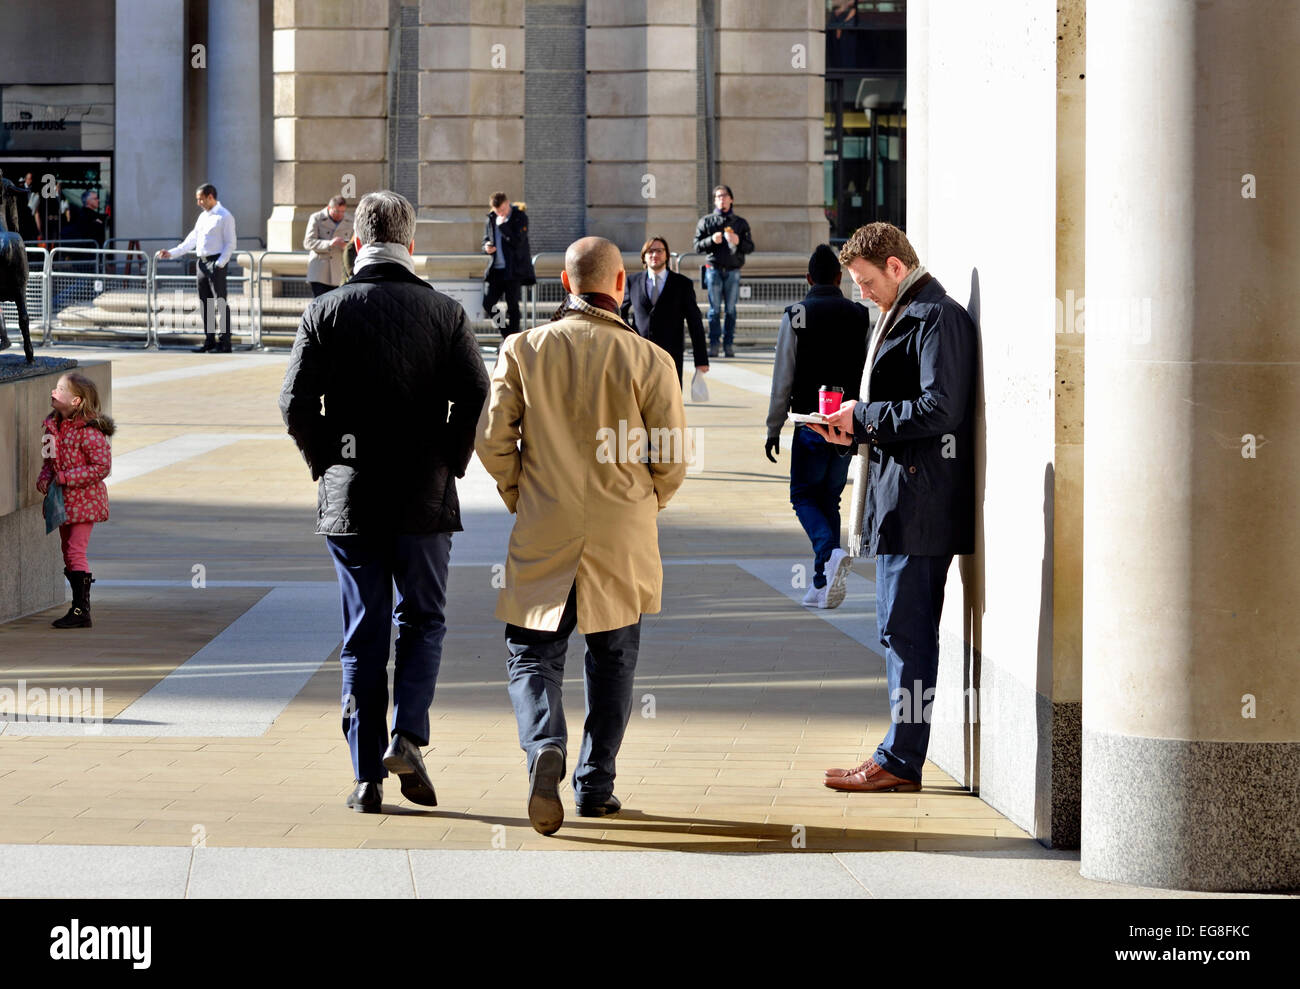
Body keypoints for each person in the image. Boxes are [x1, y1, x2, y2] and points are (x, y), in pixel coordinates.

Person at [280, 190, 490, 814]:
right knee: (423, 620)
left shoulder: (326, 312)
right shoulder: (446, 313)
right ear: (412, 243)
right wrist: (450, 460)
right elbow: (477, 393)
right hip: (424, 494)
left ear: (354, 243)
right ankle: (409, 737)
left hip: (352, 494)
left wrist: (327, 463)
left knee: (362, 634)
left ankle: (365, 776)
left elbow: (293, 405)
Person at [476, 236, 688, 835]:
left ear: (565, 285)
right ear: (620, 285)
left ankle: (545, 744)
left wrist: (521, 492)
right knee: (613, 657)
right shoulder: (651, 360)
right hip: (622, 532)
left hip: (547, 522)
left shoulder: (524, 349)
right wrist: (645, 502)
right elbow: (671, 458)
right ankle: (596, 783)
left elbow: (492, 441)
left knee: (531, 651)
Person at [808, 222, 976, 793]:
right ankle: (896, 753)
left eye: (866, 280)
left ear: (896, 268)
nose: (861, 292)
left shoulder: (937, 316)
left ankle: (901, 761)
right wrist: (853, 428)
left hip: (920, 505)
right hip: (901, 499)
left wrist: (866, 419)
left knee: (906, 634)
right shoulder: (905, 314)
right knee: (896, 631)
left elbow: (941, 408)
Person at [765, 244, 870, 609]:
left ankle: (828, 552)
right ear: (839, 278)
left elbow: (783, 376)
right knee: (829, 497)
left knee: (803, 496)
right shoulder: (859, 314)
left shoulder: (797, 314)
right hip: (847, 422)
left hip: (811, 422)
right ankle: (822, 583)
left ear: (808, 279)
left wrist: (773, 427)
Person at [36, 373, 115, 630]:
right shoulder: (52, 426)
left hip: (85, 501)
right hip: (63, 501)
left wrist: (66, 477)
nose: (53, 392)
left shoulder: (89, 432)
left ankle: (81, 609)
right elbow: (50, 460)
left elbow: (102, 466)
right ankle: (79, 606)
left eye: (60, 389)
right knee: (67, 552)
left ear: (76, 400)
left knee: (75, 550)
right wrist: (46, 477)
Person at [157, 184, 237, 353]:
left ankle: (225, 342)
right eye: (197, 199)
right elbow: (190, 241)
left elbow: (230, 243)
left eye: (201, 198)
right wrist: (171, 253)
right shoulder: (203, 217)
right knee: (205, 303)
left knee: (220, 302)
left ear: (210, 197)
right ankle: (209, 340)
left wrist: (220, 263)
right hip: (201, 262)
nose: (199, 202)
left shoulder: (225, 216)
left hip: (216, 262)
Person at [619, 235, 710, 385]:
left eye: (659, 251)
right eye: (650, 251)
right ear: (644, 256)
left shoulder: (682, 284)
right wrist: (630, 335)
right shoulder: (632, 281)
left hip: (670, 355)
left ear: (667, 255)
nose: (655, 255)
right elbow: (620, 311)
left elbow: (695, 322)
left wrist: (701, 360)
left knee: (670, 403)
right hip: (640, 355)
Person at [692, 184, 754, 358]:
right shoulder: (706, 221)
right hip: (714, 270)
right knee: (713, 310)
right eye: (718, 196)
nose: (721, 199)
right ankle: (714, 344)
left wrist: (738, 240)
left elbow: (750, 247)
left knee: (731, 310)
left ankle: (728, 344)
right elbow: (697, 246)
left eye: (724, 196)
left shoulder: (740, 223)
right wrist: (712, 239)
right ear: (715, 200)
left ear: (731, 199)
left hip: (733, 271)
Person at [481, 191, 536, 338]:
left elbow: (518, 241)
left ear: (507, 203)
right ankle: (506, 334)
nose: (500, 213)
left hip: (513, 270)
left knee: (512, 306)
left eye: (502, 210)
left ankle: (513, 338)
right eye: (497, 211)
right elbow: (486, 238)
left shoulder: (520, 217)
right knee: (488, 303)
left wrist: (503, 226)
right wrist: (486, 247)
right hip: (496, 270)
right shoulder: (492, 218)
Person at [303, 195, 352, 296]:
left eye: (343, 211)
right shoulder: (316, 218)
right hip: (320, 272)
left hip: (339, 271)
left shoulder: (350, 220)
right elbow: (308, 242)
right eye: (337, 211)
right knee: (321, 305)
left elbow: (352, 241)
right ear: (329, 208)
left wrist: (346, 244)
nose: (340, 215)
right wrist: (329, 243)